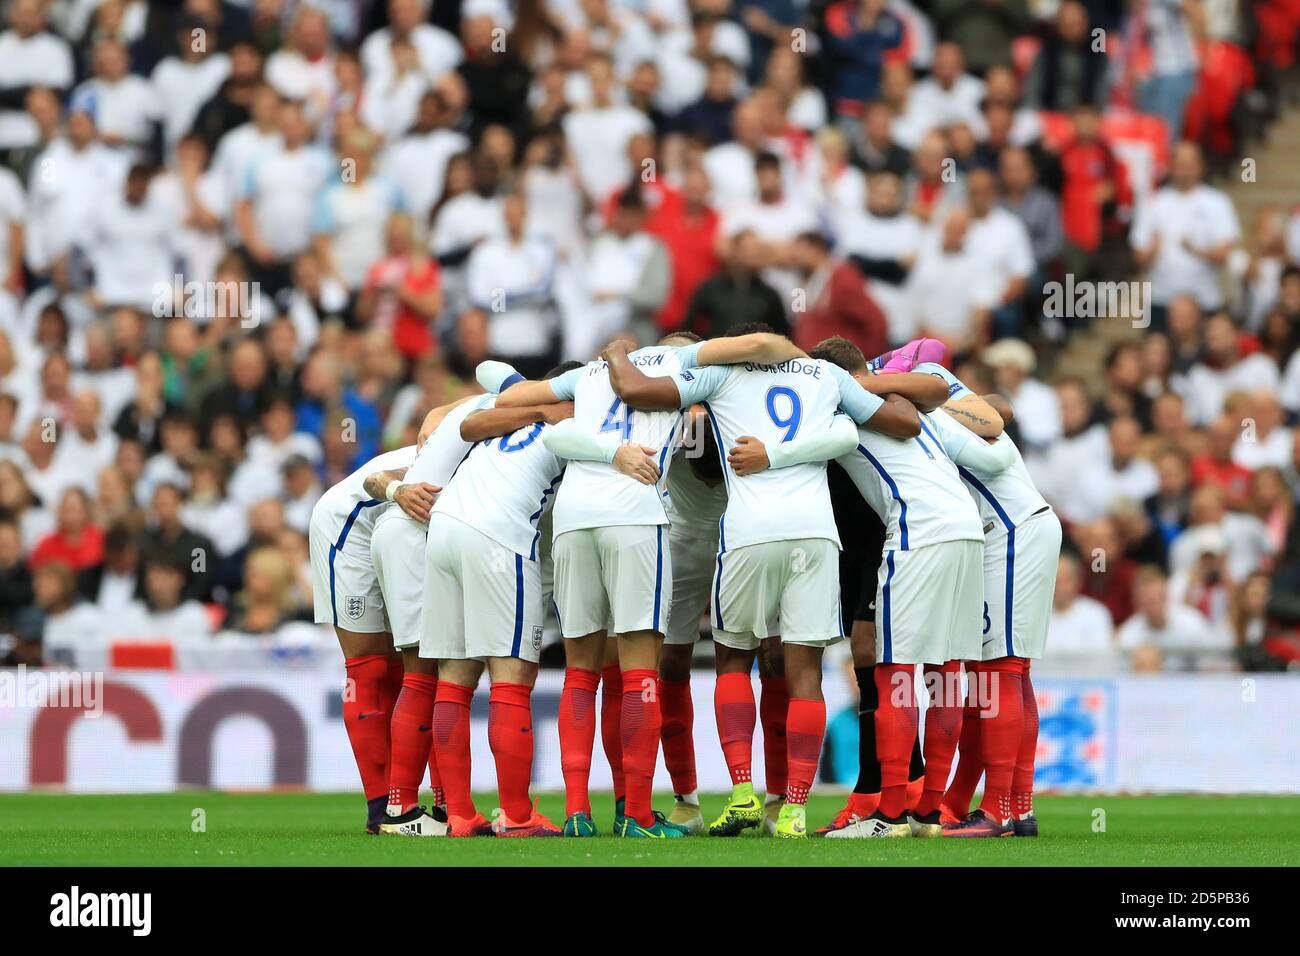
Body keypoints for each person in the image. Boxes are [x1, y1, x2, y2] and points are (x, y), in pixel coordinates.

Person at [599, 328, 920, 838]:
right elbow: (892, 425)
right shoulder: (827, 376)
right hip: (806, 535)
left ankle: (749, 794)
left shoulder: (715, 376)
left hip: (745, 533)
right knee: (798, 668)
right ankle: (784, 808)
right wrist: (893, 383)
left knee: (736, 658)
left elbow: (637, 392)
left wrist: (617, 351)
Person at [306, 441, 436, 834]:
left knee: (405, 664)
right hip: (346, 526)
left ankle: (402, 801)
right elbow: (372, 482)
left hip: (392, 533)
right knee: (367, 667)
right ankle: (379, 806)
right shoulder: (474, 441)